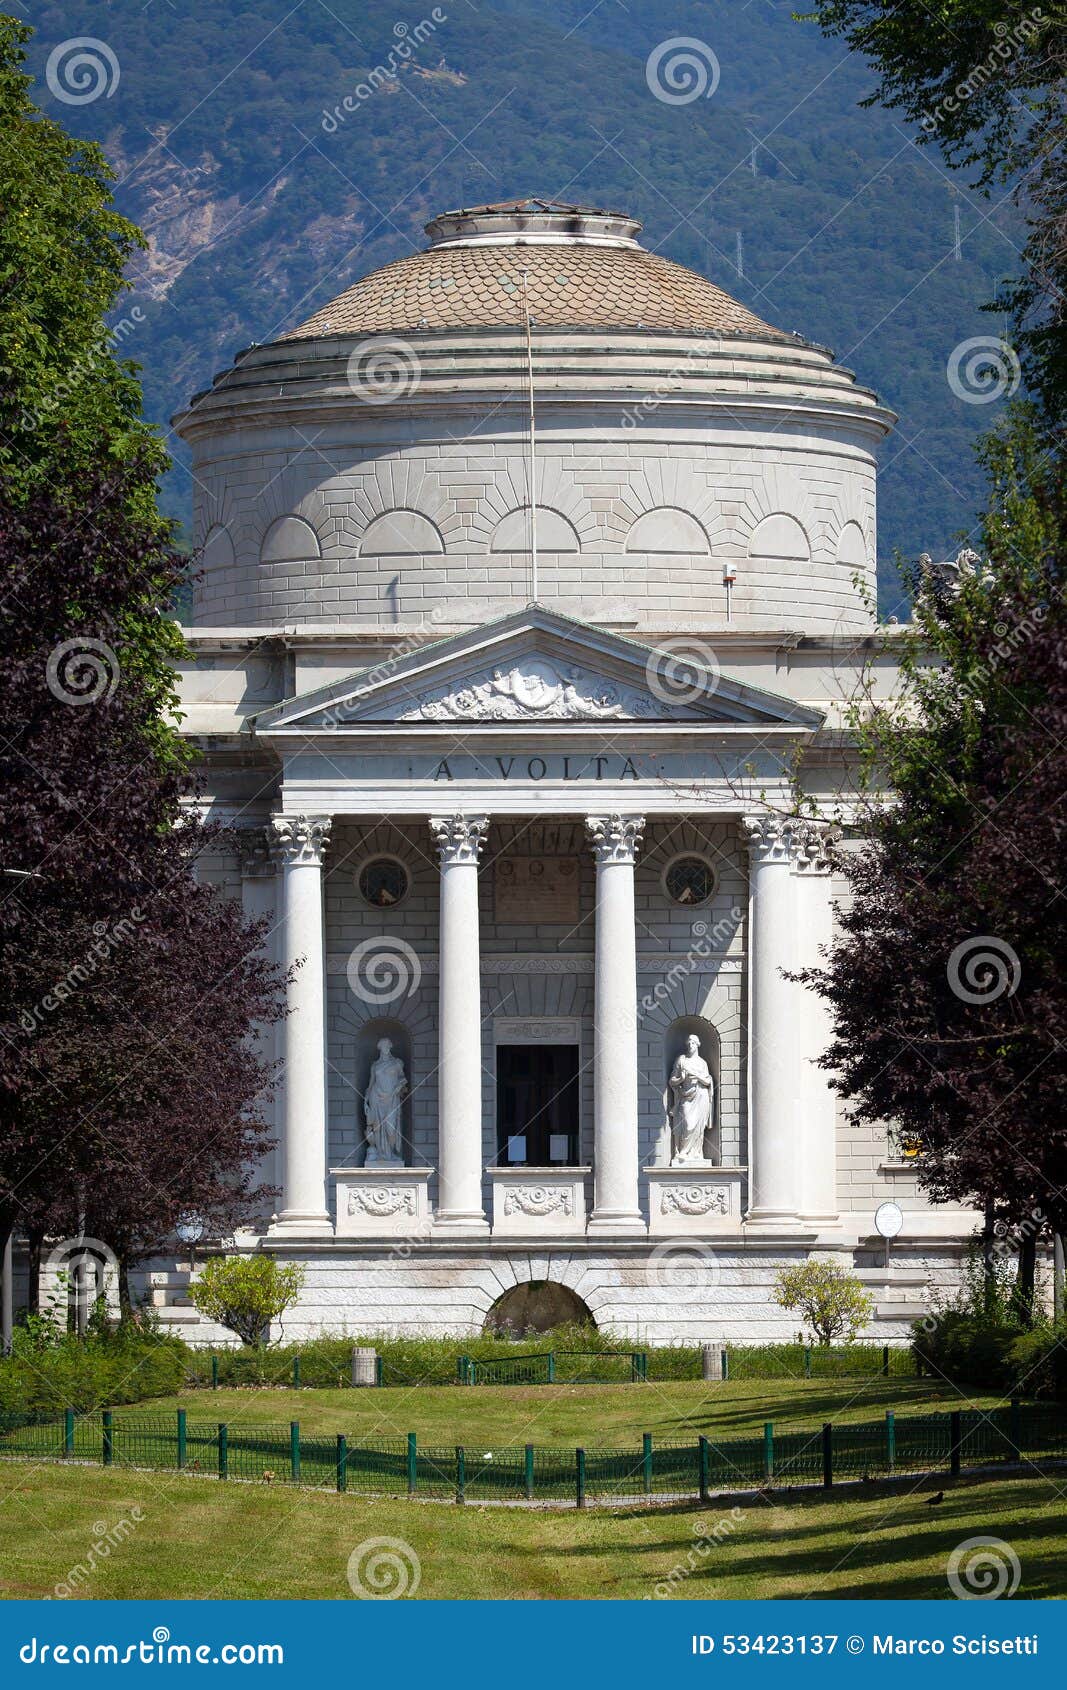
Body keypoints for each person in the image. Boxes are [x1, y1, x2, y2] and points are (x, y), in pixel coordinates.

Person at [668, 1033, 713, 1163]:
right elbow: (672, 1081)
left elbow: (708, 1082)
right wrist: (681, 1078)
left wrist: (697, 1077)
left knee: (698, 1126)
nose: (690, 1045)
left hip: (701, 1096)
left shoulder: (702, 1063)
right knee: (687, 1123)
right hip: (686, 1097)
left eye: (693, 1043)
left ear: (697, 1045)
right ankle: (683, 1151)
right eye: (688, 1043)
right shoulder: (681, 1060)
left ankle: (696, 1153)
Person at [364, 1037, 407, 1165]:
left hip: (392, 1098)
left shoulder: (397, 1063)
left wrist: (400, 1086)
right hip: (376, 1097)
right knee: (377, 1127)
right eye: (383, 1046)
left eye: (387, 1045)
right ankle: (380, 1155)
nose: (385, 1048)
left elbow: (403, 1079)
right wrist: (365, 1101)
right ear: (380, 1048)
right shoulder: (375, 1065)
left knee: (391, 1128)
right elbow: (371, 1083)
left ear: (390, 1047)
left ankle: (391, 1154)